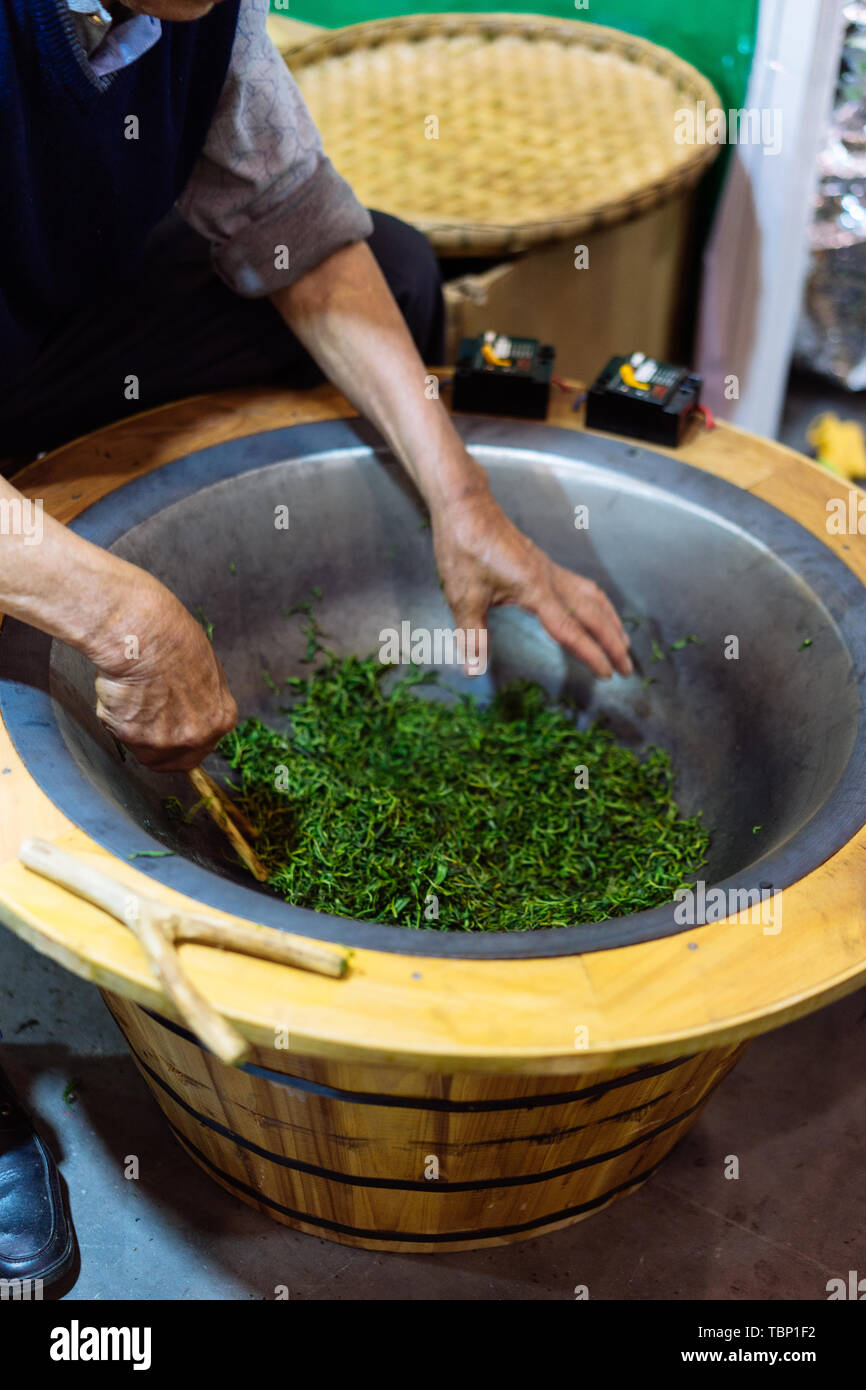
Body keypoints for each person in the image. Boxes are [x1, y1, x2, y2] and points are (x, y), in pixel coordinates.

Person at [0, 0, 632, 1291]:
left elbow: (289, 213)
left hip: (40, 336)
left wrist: (460, 500)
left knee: (389, 271)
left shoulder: (192, 17)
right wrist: (114, 607)